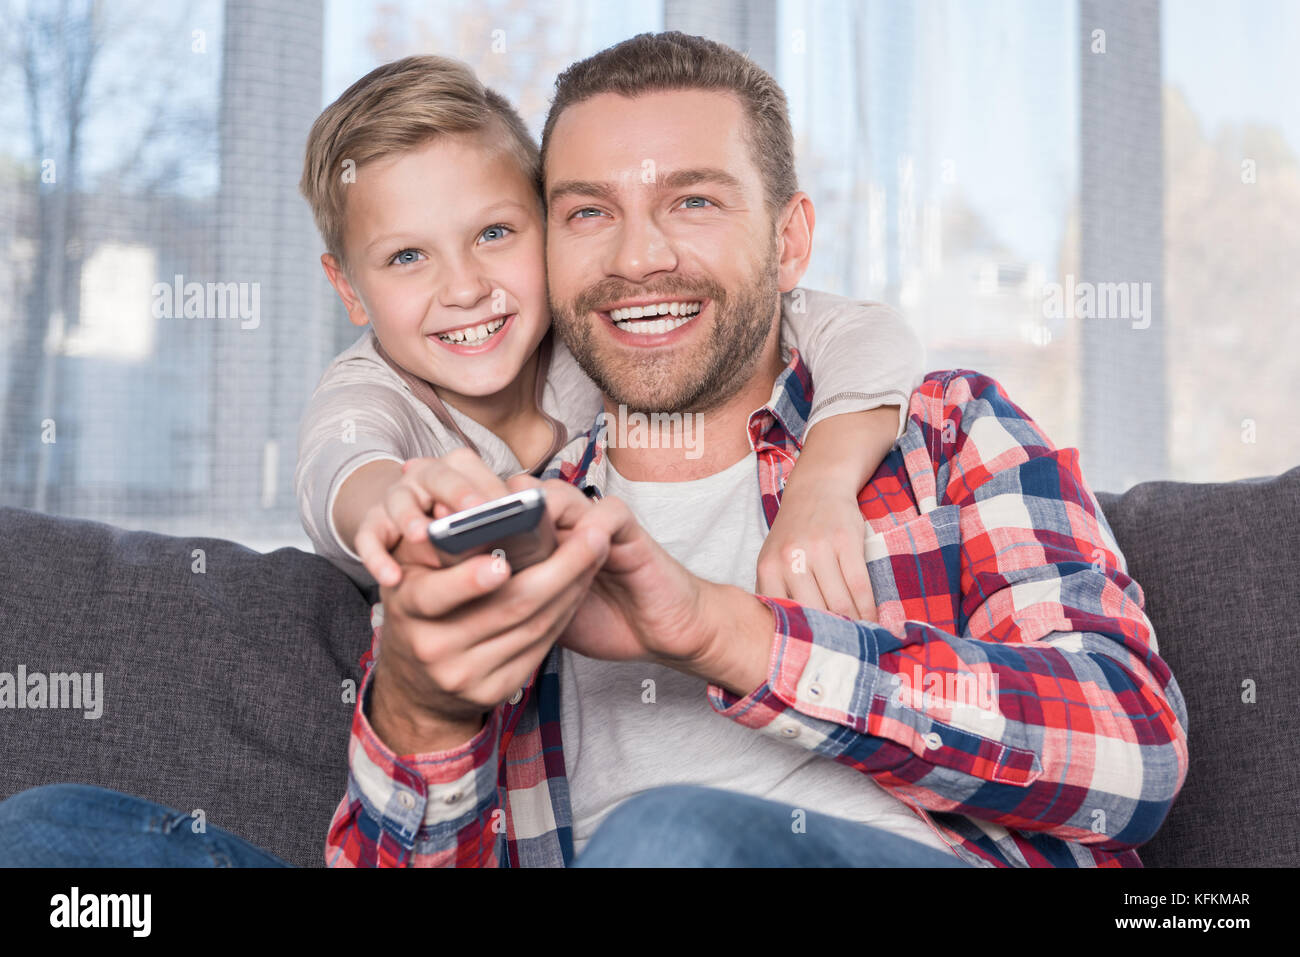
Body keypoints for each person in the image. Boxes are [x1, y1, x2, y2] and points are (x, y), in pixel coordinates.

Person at [330, 31, 1189, 868]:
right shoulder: (501, 521)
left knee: (667, 837)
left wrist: (724, 633)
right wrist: (422, 710)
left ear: (788, 243)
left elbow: (1134, 756)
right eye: (589, 212)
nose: (638, 257)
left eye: (693, 201)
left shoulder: (945, 432)